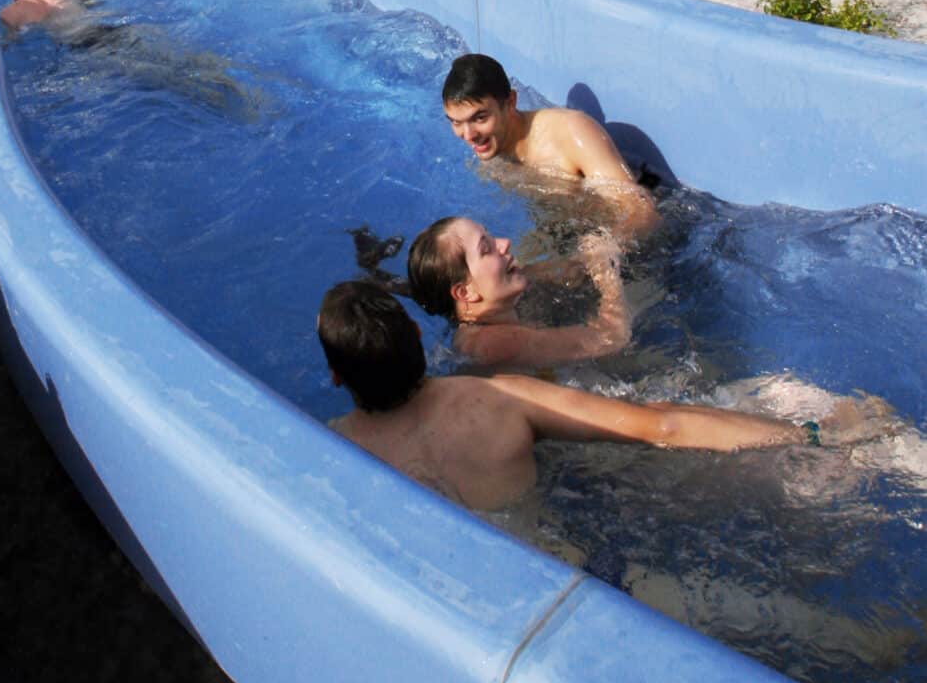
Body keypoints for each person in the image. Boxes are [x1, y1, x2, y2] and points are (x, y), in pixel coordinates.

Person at [317, 280, 879, 516]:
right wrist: (813, 433)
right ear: (417, 337)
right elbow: (661, 427)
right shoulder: (499, 398)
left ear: (336, 377)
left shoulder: (326, 449)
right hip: (550, 571)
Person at [441, 53, 657, 243]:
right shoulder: (489, 148)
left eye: (480, 118)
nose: (468, 136)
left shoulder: (571, 132)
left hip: (618, 243)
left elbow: (642, 213)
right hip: (561, 234)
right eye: (456, 122)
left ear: (510, 102)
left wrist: (604, 249)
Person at [407, 212, 632, 369]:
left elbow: (576, 267)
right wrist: (609, 277)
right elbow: (611, 338)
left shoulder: (506, 288)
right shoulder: (489, 345)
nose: (504, 243)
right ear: (465, 293)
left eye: (491, 235)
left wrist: (601, 248)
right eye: (487, 249)